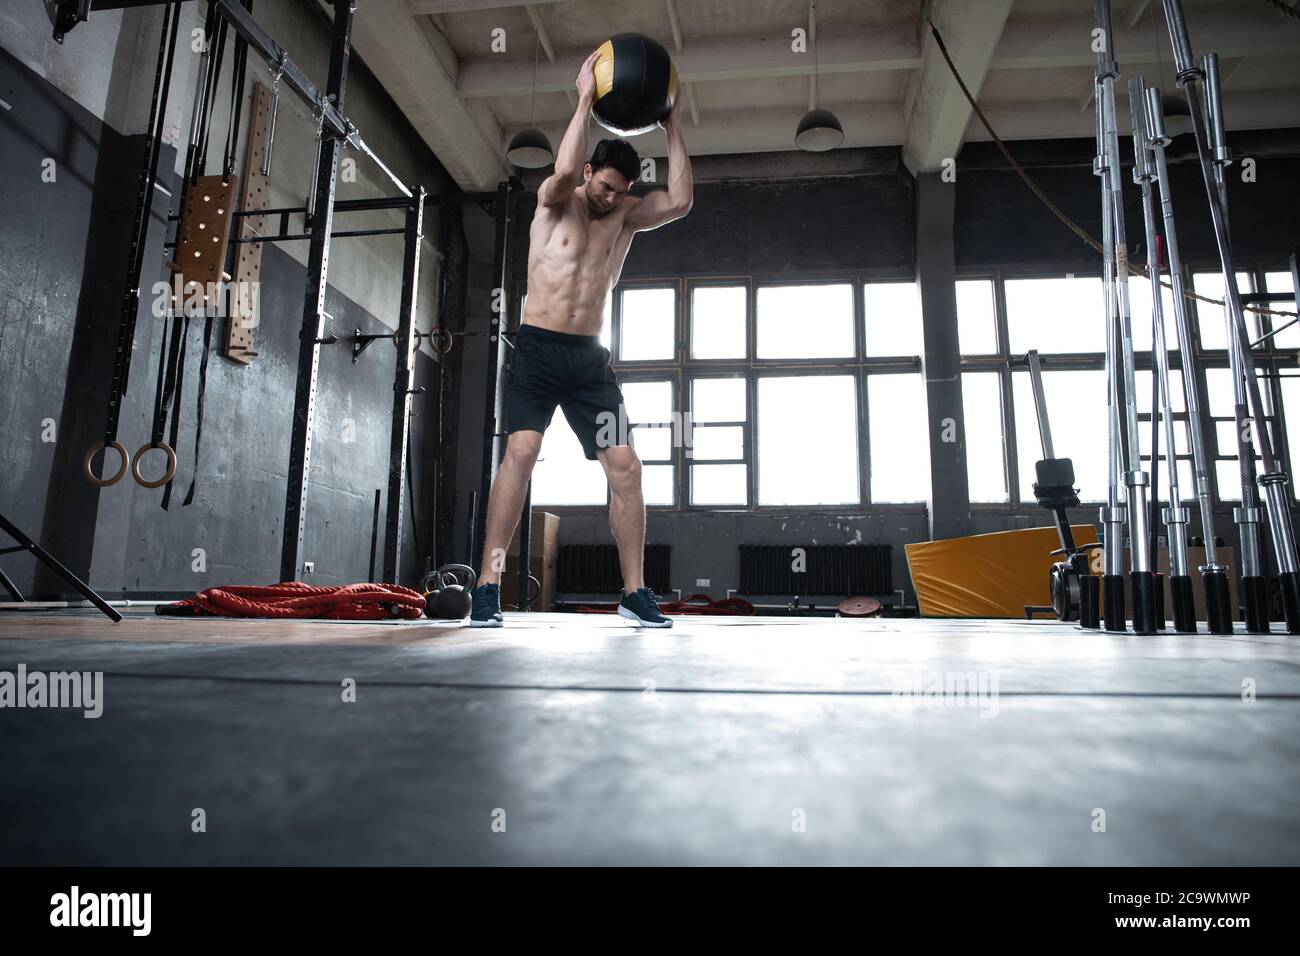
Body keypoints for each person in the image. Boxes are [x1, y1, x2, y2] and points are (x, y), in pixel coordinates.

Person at [470, 48, 693, 627]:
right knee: (521, 452)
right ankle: (488, 584)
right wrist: (583, 99)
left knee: (627, 469)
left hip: (591, 364)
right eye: (604, 185)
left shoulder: (625, 216)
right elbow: (564, 170)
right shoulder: (555, 201)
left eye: (620, 191)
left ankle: (634, 592)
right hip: (539, 352)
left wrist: (673, 127)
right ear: (591, 173)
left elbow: (682, 200)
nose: (608, 197)